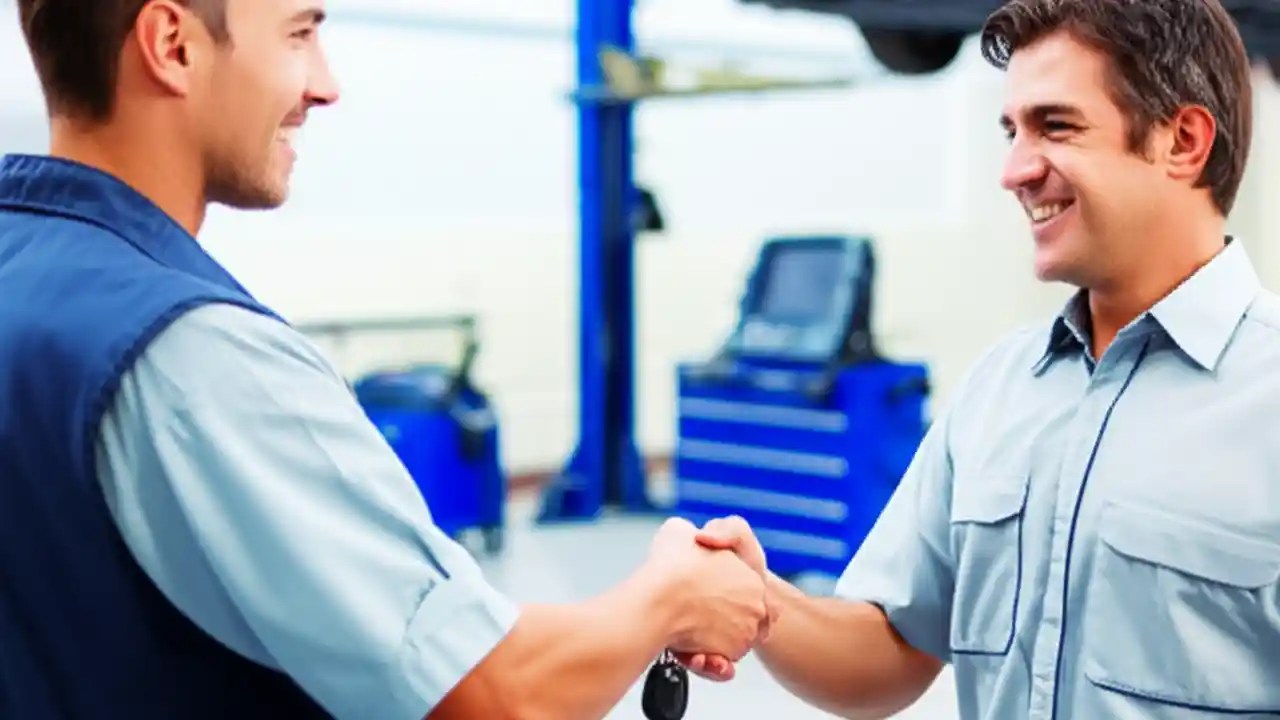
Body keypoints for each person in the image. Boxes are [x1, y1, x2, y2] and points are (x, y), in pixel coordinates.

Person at [0, 1, 770, 718]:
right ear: (173, 46)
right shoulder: (193, 354)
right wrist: (672, 598)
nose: (325, 87)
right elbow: (493, 694)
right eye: (299, 35)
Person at [683, 0, 1280, 718]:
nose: (1015, 170)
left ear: (1182, 141)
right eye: (1011, 131)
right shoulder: (999, 389)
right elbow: (888, 650)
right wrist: (760, 600)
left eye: (1055, 126)